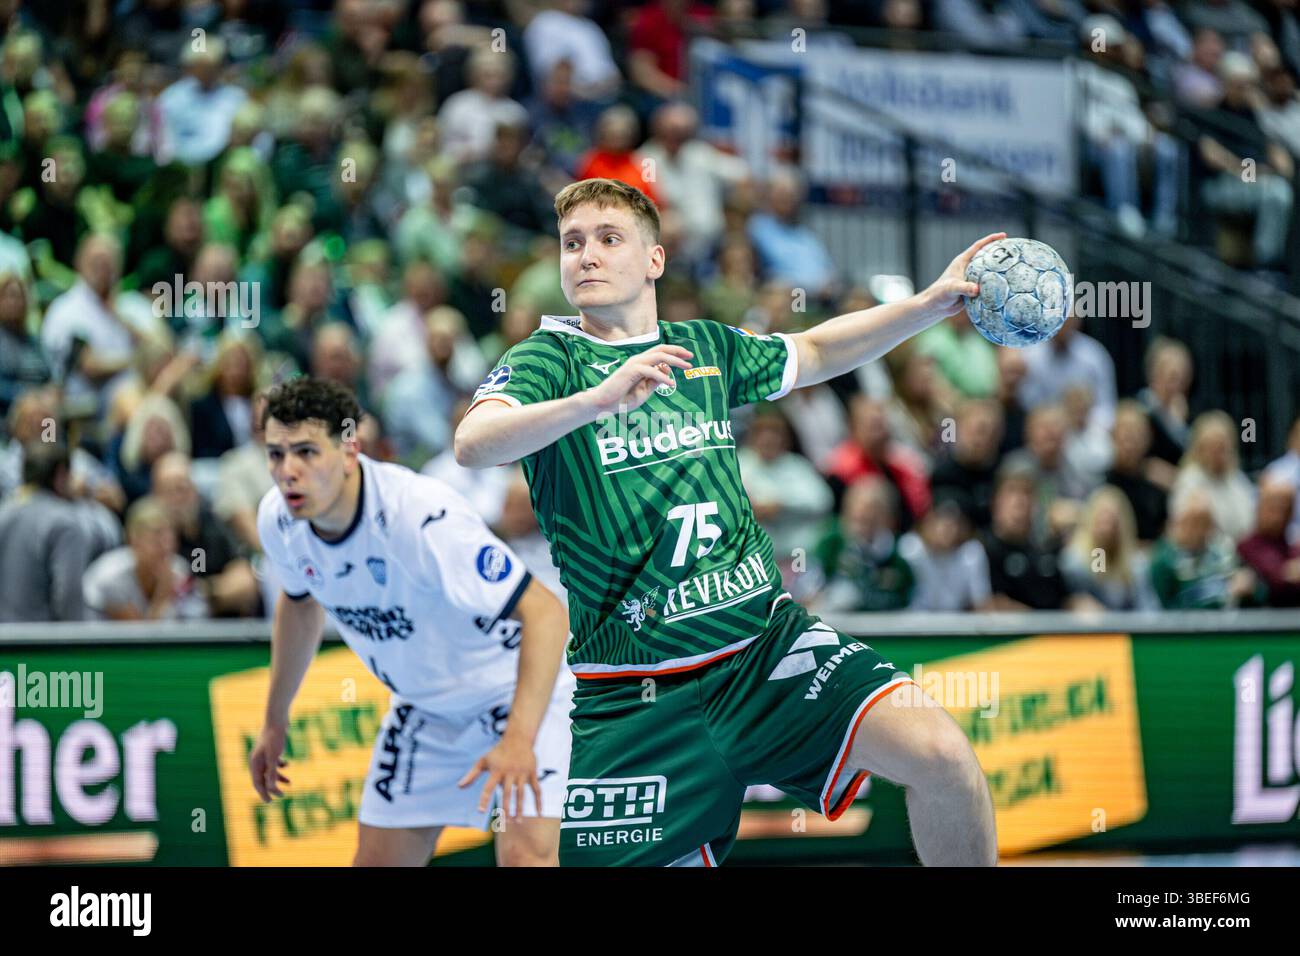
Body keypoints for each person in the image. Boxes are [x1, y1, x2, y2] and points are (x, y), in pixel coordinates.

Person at [455, 178, 997, 867]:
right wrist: (596, 400)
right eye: (572, 243)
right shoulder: (549, 361)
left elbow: (819, 352)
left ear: (654, 260)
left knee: (944, 757)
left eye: (608, 238)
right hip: (636, 696)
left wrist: (925, 306)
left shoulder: (703, 347)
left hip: (764, 649)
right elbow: (475, 442)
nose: (586, 255)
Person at [249, 378, 574, 867]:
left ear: (348, 450)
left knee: (526, 856)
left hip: (519, 693)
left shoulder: (420, 517)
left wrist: (518, 740)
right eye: (275, 454)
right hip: (428, 708)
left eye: (306, 452)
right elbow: (299, 604)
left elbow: (547, 615)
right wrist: (275, 720)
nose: (287, 472)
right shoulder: (279, 521)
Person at [0, 442, 94, 622]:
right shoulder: (66, 523)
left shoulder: (3, 512)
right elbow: (69, 595)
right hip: (40, 645)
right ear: (60, 474)